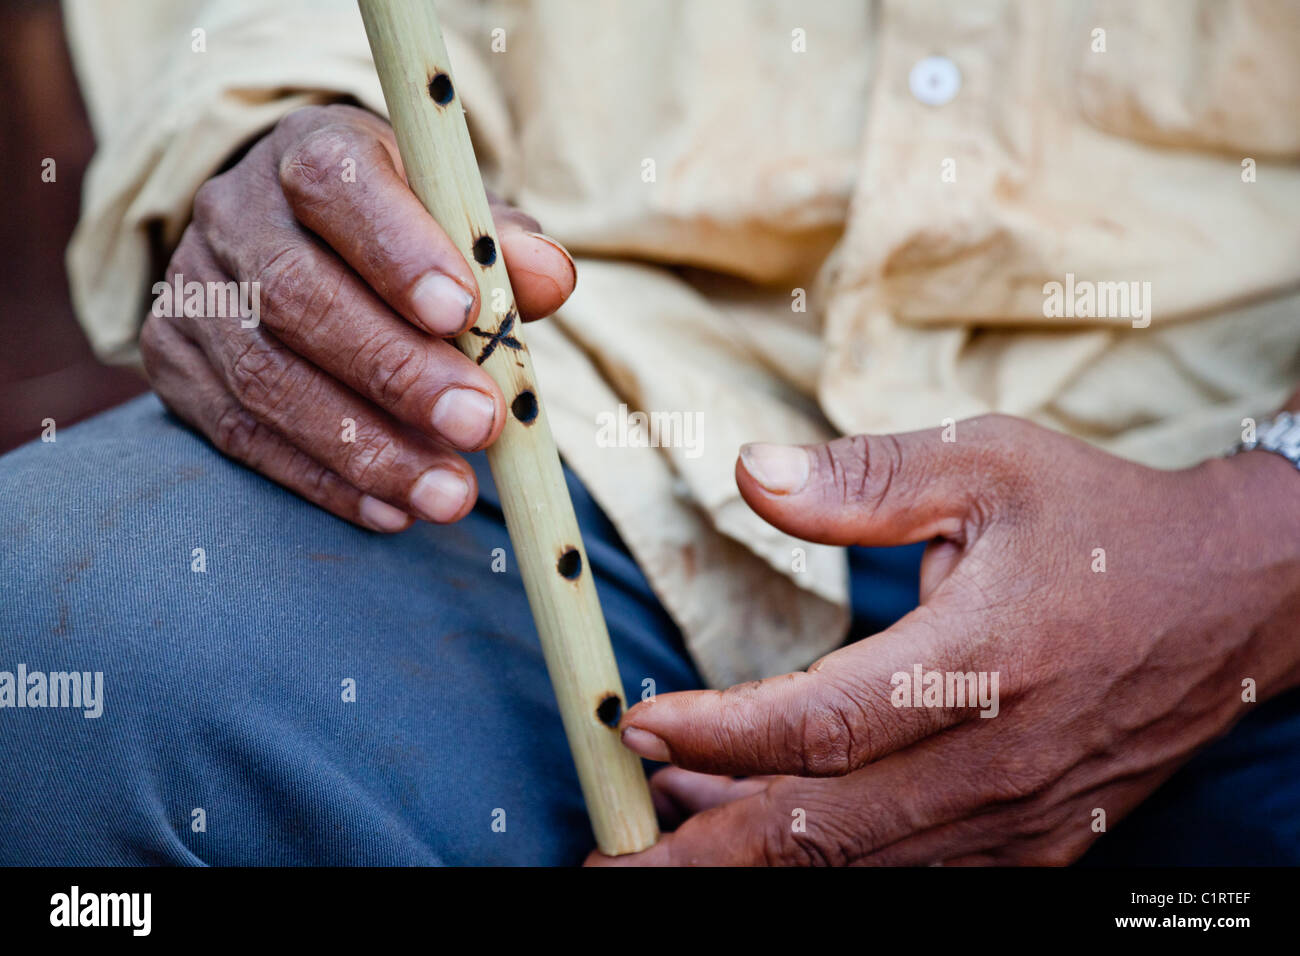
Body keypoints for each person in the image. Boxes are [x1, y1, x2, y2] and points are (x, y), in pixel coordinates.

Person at [2, 0, 1297, 865]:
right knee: (59, 649)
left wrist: (1267, 523)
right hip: (598, 379)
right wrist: (291, 145)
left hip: (1226, 453)